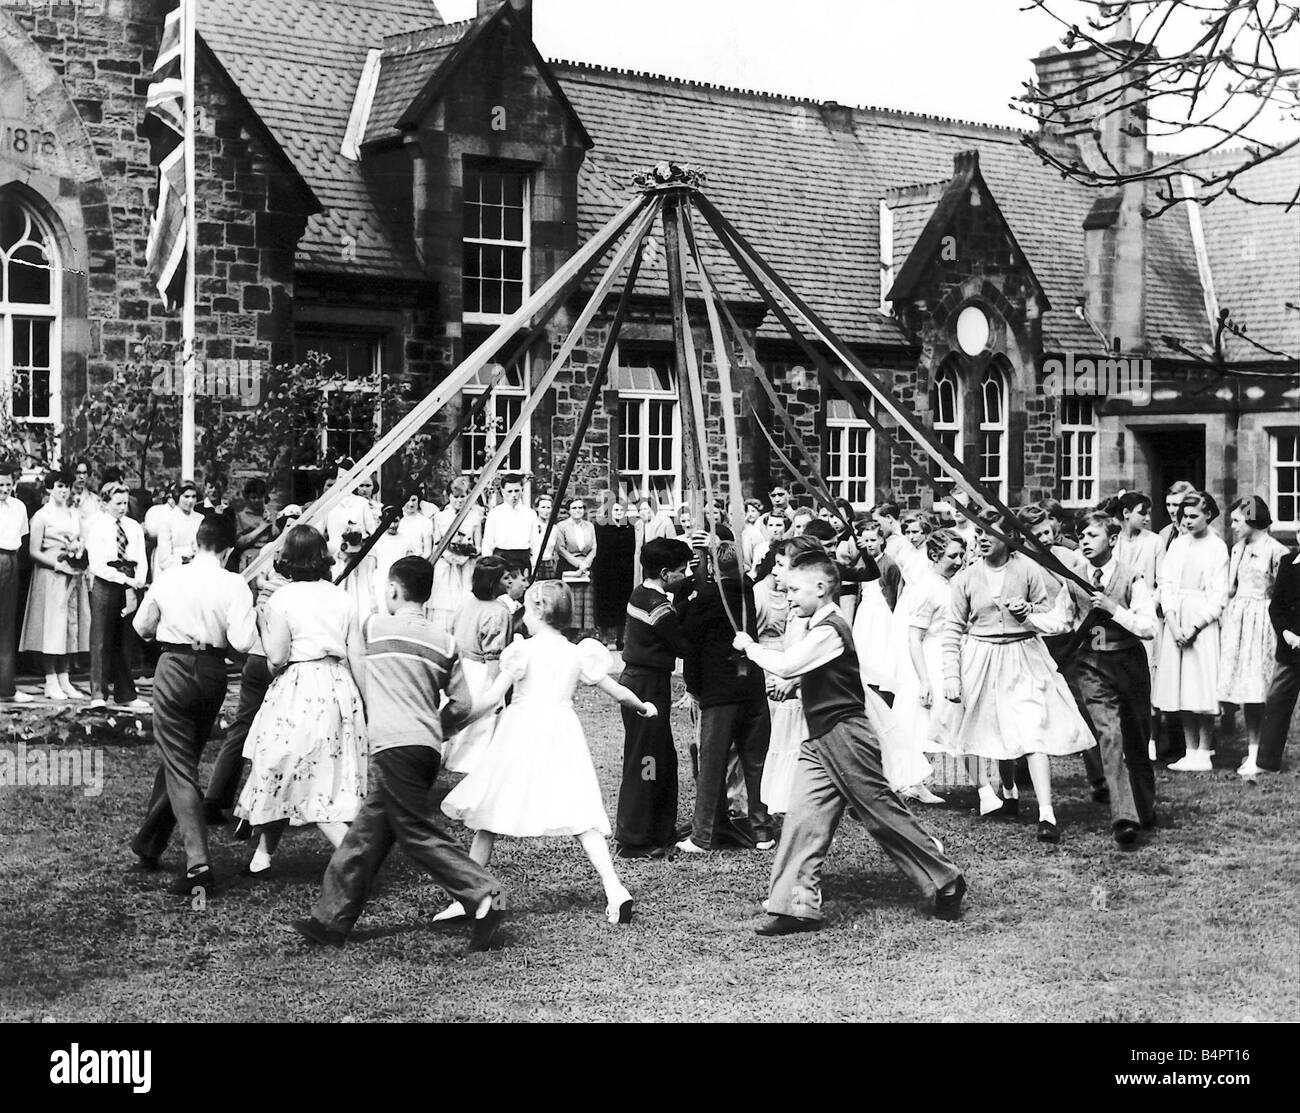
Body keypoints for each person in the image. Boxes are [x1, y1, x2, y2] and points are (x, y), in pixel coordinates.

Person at [735, 552, 966, 935]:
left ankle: (946, 879)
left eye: (794, 589)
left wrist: (750, 647)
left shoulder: (831, 629)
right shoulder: (819, 627)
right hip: (819, 736)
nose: (786, 593)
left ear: (822, 589)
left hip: (846, 734)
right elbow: (799, 670)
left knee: (880, 813)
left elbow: (789, 665)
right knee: (803, 817)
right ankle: (797, 905)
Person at [291, 557, 506, 951]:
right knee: (366, 834)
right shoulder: (444, 641)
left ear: (393, 590)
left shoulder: (373, 627)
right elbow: (461, 704)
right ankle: (330, 920)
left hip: (391, 747)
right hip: (424, 748)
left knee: (415, 833)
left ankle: (484, 894)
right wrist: (432, 726)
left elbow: (347, 655)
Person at [438, 581, 652, 925]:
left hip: (521, 731)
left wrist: (452, 725)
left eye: (526, 608)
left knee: (488, 816)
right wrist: (643, 707)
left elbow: (493, 698)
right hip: (562, 732)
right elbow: (618, 691)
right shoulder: (576, 652)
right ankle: (615, 889)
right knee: (581, 814)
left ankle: (466, 898)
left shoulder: (523, 651)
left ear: (538, 611)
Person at [941, 509, 1096, 842]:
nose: (981, 539)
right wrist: (951, 676)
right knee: (996, 729)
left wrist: (1028, 613)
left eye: (989, 533)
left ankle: (1046, 814)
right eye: (978, 533)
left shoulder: (1027, 569)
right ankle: (1009, 792)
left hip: (1023, 654)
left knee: (1030, 730)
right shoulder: (966, 578)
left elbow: (1047, 610)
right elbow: (952, 628)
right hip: (981, 656)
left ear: (1008, 539)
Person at [129, 515, 258, 894]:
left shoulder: (170, 576)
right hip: (213, 671)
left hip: (175, 665)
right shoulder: (235, 584)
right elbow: (244, 641)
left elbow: (141, 626)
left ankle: (198, 865)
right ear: (229, 549)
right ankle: (149, 844)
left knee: (180, 764)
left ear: (197, 542)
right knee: (179, 758)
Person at [235, 524, 368, 873]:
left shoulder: (282, 599)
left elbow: (276, 658)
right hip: (339, 685)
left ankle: (355, 856)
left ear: (288, 559)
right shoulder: (342, 597)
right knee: (308, 767)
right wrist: (367, 702)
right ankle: (263, 853)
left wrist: (263, 624)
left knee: (281, 763)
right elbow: (358, 654)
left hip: (299, 685)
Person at [1032, 511, 1158, 847]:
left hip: (1128, 663)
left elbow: (1148, 626)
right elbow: (1061, 620)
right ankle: (1124, 819)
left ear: (1113, 540)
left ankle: (1143, 807)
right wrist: (1028, 617)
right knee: (1109, 735)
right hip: (1091, 665)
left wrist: (1115, 609)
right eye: (1082, 537)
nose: (1084, 542)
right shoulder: (1073, 580)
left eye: (1092, 536)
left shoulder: (1133, 579)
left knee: (1136, 737)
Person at [203, 505, 299, 823]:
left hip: (257, 656)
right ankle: (260, 806)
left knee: (243, 728)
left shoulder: (269, 568)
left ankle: (216, 797)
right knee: (279, 733)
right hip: (278, 660)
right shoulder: (297, 586)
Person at [677, 542, 773, 853]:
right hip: (753, 687)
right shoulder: (747, 590)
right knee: (755, 763)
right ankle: (762, 831)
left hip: (720, 692)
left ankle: (702, 835)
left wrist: (693, 687)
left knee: (712, 763)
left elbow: (689, 641)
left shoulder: (705, 598)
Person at [614, 536, 693, 858]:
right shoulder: (658, 606)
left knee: (660, 758)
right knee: (645, 761)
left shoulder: (642, 592)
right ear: (664, 573)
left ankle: (659, 828)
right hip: (645, 686)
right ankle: (633, 838)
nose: (686, 575)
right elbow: (683, 645)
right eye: (682, 570)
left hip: (646, 681)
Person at [1154, 492, 1230, 773]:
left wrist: (1196, 626)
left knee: (1202, 684)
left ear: (1208, 514)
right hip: (1177, 619)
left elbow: (1218, 594)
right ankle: (1189, 749)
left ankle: (1204, 749)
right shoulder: (1178, 545)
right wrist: (1173, 623)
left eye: (1193, 516)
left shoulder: (1217, 547)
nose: (1186, 521)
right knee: (1182, 686)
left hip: (1201, 623)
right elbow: (1166, 583)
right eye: (1183, 516)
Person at [891, 529, 968, 795]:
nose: (958, 561)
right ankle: (911, 784)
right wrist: (923, 680)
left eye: (961, 555)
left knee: (953, 723)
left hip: (952, 657)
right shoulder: (926, 588)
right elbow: (914, 638)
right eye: (952, 556)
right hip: (930, 659)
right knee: (919, 724)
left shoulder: (953, 584)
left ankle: (982, 790)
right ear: (935, 555)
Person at [1218, 497, 1289, 777]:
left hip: (1264, 621)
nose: (1233, 526)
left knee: (1263, 689)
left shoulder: (1277, 551)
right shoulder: (1236, 549)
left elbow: (1282, 594)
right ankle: (1252, 749)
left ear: (1251, 519)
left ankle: (1265, 752)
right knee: (1246, 688)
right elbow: (1232, 587)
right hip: (1240, 621)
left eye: (1237, 520)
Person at [754, 538, 817, 816]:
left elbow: (818, 661)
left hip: (810, 702)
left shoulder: (814, 614)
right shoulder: (796, 610)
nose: (775, 571)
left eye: (781, 565)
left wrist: (791, 681)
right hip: (794, 700)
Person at [20, 469, 88, 700]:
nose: (64, 490)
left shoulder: (73, 514)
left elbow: (80, 540)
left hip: (72, 575)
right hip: (51, 576)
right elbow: (33, 551)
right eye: (59, 486)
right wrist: (58, 566)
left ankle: (65, 678)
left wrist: (78, 554)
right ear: (49, 488)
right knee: (52, 627)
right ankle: (50, 680)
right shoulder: (41, 516)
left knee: (70, 626)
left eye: (66, 486)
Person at [442, 555, 511, 775]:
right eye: (505, 578)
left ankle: (452, 755)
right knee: (481, 716)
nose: (509, 582)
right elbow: (493, 656)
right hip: (481, 670)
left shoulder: (465, 602)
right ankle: (471, 760)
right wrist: (495, 690)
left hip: (461, 667)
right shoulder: (498, 612)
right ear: (493, 583)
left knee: (461, 714)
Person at [84, 481, 149, 711]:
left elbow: (141, 557)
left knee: (125, 639)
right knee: (101, 638)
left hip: (130, 580)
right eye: (117, 503)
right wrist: (125, 580)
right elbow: (97, 564)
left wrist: (138, 579)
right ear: (104, 503)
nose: (122, 508)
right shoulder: (97, 526)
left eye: (125, 503)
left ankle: (125, 693)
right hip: (107, 580)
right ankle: (98, 693)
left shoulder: (133, 527)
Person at [1257, 539, 1300, 774]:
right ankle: (1267, 761)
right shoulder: (1288, 562)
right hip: (1290, 649)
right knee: (1276, 701)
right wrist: (1286, 633)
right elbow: (1276, 606)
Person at [429, 477, 480, 633]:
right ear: (448, 496)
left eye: (463, 496)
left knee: (464, 598)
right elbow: (436, 543)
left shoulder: (474, 517)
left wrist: (465, 552)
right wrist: (449, 555)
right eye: (455, 496)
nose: (459, 500)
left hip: (466, 566)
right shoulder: (440, 517)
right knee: (444, 604)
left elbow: (478, 546)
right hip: (445, 565)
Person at [0, 464, 32, 704]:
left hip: (10, 560)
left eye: (7, 484)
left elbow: (20, 539)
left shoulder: (18, 507)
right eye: (0, 485)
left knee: (7, 624)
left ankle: (6, 686)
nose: (4, 489)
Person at [593, 500, 637, 650]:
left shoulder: (629, 528)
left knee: (622, 606)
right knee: (605, 606)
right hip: (605, 573)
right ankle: (604, 638)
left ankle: (620, 639)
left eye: (621, 510)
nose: (618, 512)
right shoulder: (601, 527)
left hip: (624, 573)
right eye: (615, 509)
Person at [555, 496, 597, 637]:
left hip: (585, 568)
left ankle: (583, 634)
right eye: (574, 508)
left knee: (585, 604)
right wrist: (578, 564)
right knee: (570, 601)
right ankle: (568, 634)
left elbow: (594, 548)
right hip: (569, 567)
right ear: (568, 510)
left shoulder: (589, 526)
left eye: (580, 508)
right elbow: (561, 549)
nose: (578, 510)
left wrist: (585, 564)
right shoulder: (561, 526)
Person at [480, 474, 536, 563]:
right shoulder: (495, 513)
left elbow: (535, 542)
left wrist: (534, 564)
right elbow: (487, 541)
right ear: (502, 491)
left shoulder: (530, 514)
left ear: (522, 490)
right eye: (509, 491)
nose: (514, 495)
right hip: (500, 558)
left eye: (517, 491)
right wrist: (487, 563)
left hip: (522, 558)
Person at [154, 479, 203, 576]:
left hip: (197, 571)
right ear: (177, 496)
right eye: (186, 496)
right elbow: (163, 558)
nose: (190, 501)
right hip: (173, 571)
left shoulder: (200, 519)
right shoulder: (167, 519)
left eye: (193, 497)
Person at [232, 479, 273, 572]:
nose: (257, 500)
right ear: (247, 498)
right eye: (253, 497)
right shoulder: (241, 517)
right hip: (251, 559)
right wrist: (261, 528)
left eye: (260, 497)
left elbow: (276, 536)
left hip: (269, 558)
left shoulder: (271, 514)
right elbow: (239, 543)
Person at [531, 493, 559, 579]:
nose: (546, 511)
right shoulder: (532, 525)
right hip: (534, 563)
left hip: (548, 563)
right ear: (537, 508)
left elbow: (555, 549)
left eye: (548, 508)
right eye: (543, 507)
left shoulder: (554, 528)